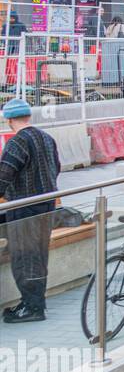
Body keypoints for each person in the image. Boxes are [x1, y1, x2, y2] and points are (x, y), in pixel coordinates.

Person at [0, 98, 61, 324]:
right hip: (46, 204)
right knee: (38, 254)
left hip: (24, 207)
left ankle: (33, 307)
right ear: (28, 116)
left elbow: (2, 177)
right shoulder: (46, 138)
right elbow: (57, 168)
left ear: (8, 120)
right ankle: (34, 302)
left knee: (24, 257)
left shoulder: (17, 143)